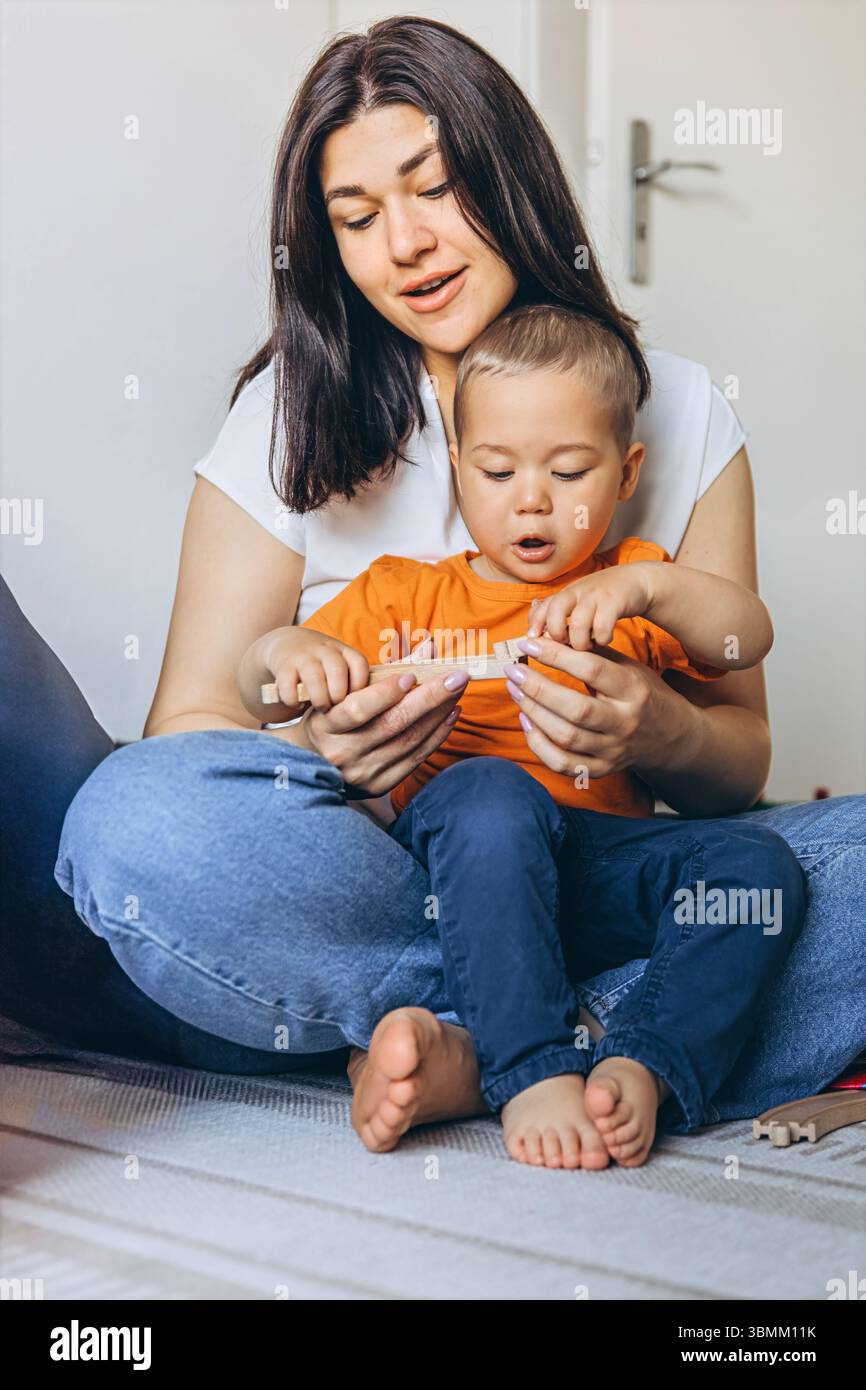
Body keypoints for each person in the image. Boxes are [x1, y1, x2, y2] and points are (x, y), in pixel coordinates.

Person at [3, 19, 861, 1156]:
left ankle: (491, 1039)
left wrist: (653, 726)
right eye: (357, 218)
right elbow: (192, 733)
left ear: (507, 178)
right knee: (136, 821)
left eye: (434, 188)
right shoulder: (289, 419)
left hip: (604, 872)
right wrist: (327, 760)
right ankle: (566, 1027)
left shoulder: (681, 409)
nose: (403, 243)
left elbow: (732, 770)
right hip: (372, 873)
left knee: (808, 868)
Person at [237, 304, 806, 1168]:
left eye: (570, 471)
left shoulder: (624, 586)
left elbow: (748, 635)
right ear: (460, 472)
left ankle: (643, 1062)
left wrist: (653, 590)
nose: (533, 500)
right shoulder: (409, 594)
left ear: (625, 473)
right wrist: (289, 650)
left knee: (758, 866)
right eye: (498, 471)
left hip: (597, 864)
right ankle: (532, 1065)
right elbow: (255, 692)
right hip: (454, 872)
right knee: (492, 795)